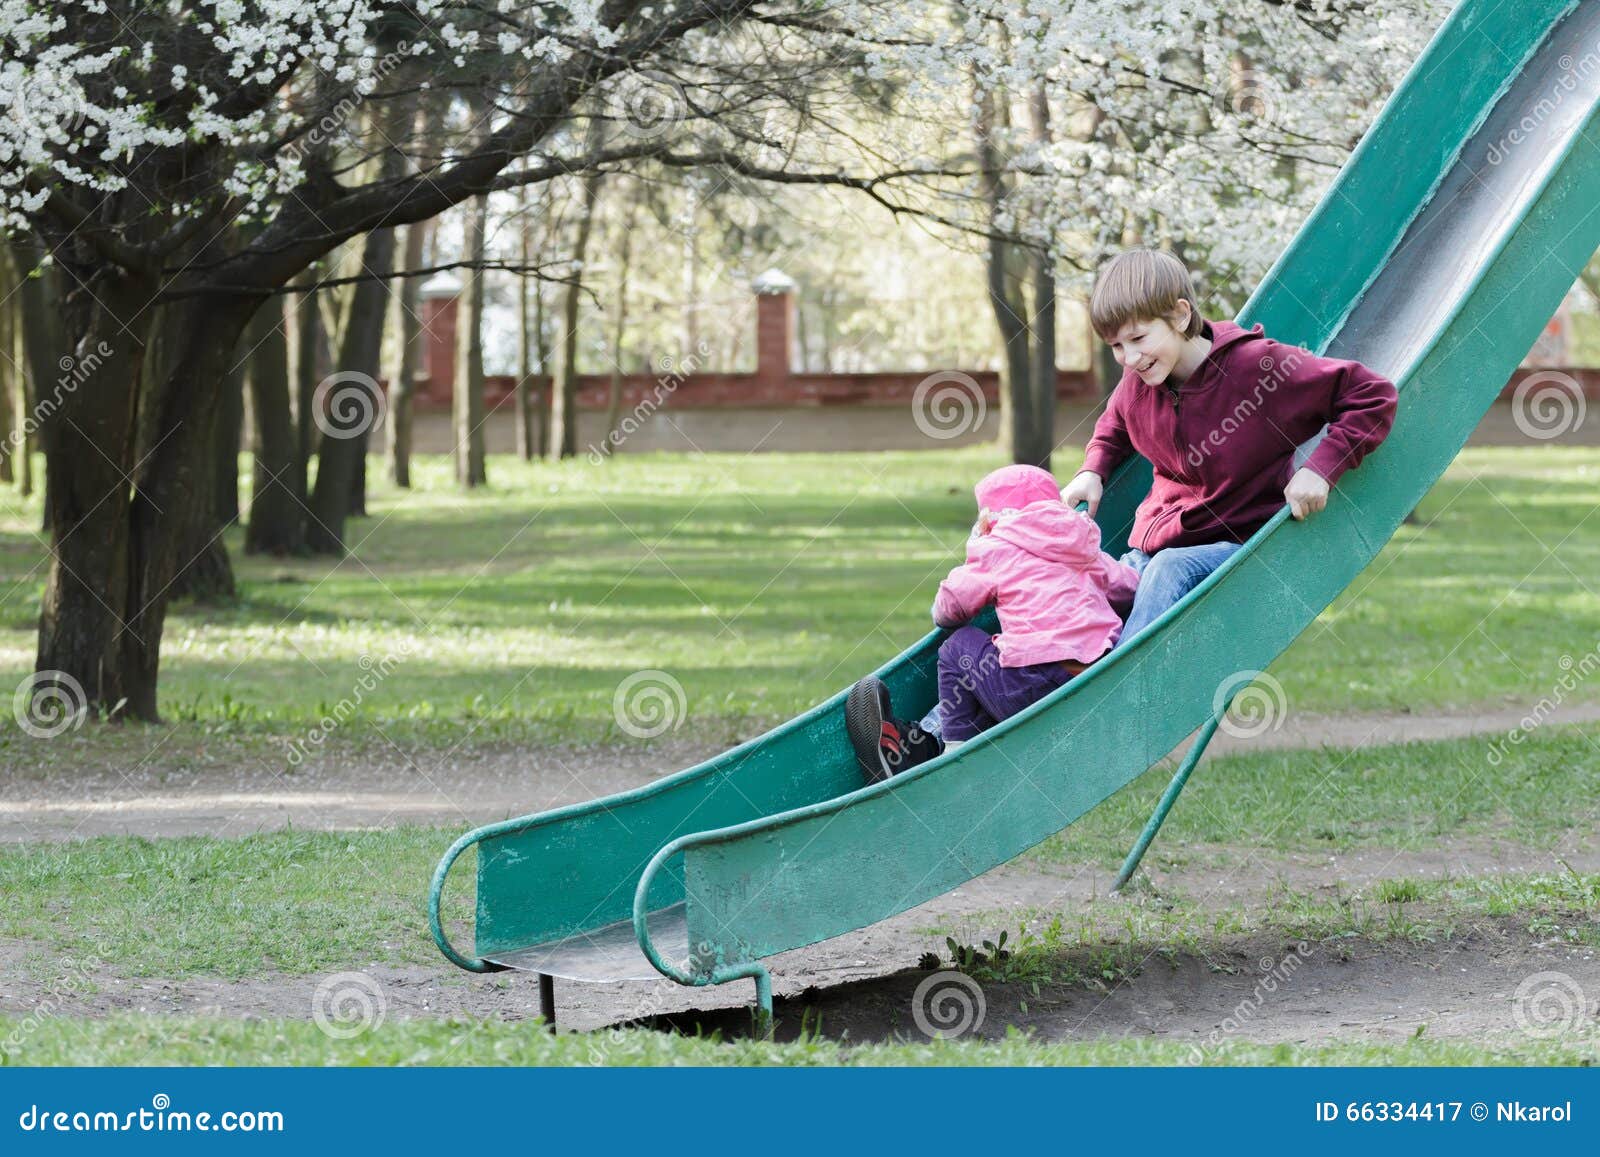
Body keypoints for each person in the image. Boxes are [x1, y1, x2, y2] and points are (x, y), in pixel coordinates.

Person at [1065, 248, 1398, 646]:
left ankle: (1116, 691)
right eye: (1116, 346)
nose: (1130, 357)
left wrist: (1321, 468)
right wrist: (1093, 468)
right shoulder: (1139, 381)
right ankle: (1048, 682)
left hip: (1236, 547)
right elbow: (1115, 422)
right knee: (1090, 581)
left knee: (1169, 569)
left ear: (1180, 316)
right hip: (1155, 548)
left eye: (1138, 338)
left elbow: (1371, 394)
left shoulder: (1258, 369)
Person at [845, 464, 1138, 782]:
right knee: (996, 667)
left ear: (988, 516)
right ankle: (916, 747)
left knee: (958, 647)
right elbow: (1127, 586)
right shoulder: (1081, 544)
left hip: (1031, 685)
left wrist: (977, 548)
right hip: (1091, 680)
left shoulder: (997, 545)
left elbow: (948, 609)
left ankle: (950, 753)